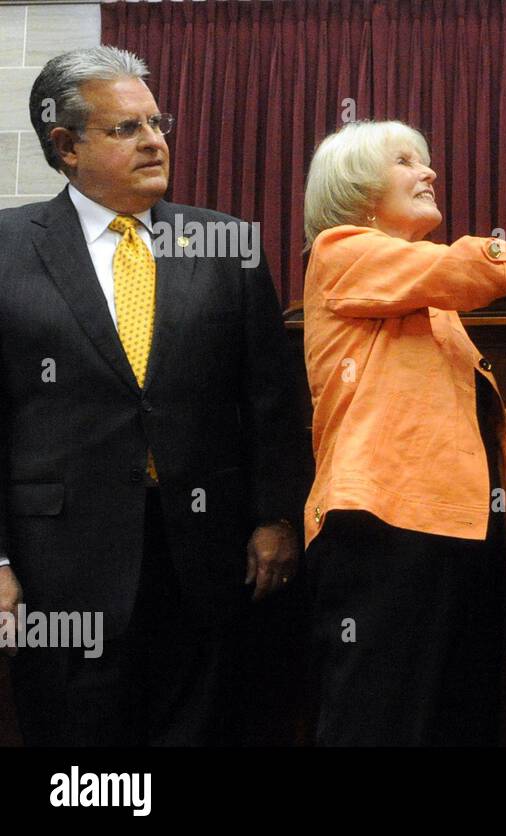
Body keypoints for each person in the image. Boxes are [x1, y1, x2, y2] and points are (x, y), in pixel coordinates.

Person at [0, 46, 302, 745]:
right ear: (65, 145)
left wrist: (275, 519)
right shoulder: (9, 249)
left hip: (205, 562)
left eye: (157, 123)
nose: (155, 141)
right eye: (126, 129)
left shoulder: (226, 243)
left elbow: (271, 403)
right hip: (60, 572)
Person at [302, 120, 506, 746]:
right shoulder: (341, 252)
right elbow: (473, 267)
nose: (429, 171)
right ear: (353, 186)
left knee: (456, 723)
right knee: (377, 723)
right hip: (382, 530)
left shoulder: (431, 305)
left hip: (462, 532)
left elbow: (476, 430)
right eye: (406, 161)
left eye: (427, 160)